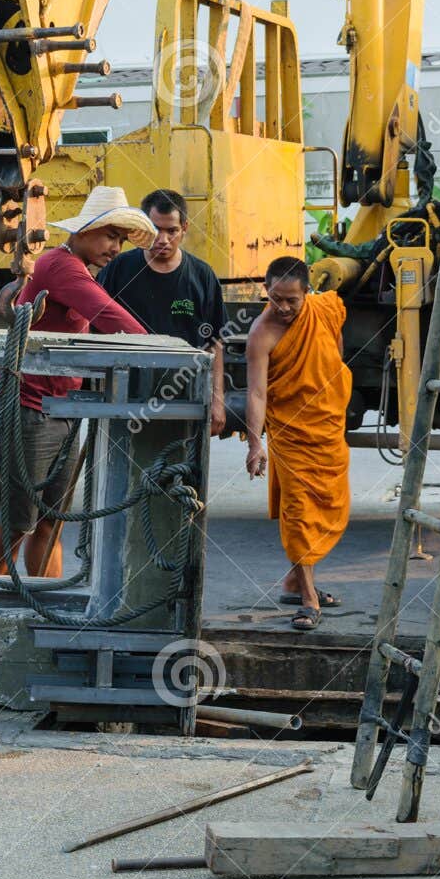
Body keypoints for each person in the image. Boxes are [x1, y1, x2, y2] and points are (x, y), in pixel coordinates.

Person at [0, 185, 154, 580]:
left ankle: (44, 601)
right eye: (111, 236)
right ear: (85, 231)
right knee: (19, 523)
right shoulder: (61, 266)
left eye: (121, 240)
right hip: (28, 407)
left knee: (50, 522)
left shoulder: (75, 268)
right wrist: (157, 349)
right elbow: (109, 316)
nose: (115, 248)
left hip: (59, 407)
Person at [244, 256, 352, 631]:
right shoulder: (262, 333)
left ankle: (294, 581)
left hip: (326, 426)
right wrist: (255, 443)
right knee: (299, 513)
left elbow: (334, 355)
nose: (284, 308)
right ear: (266, 292)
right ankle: (308, 600)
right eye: (276, 299)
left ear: (309, 293)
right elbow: (256, 393)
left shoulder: (325, 308)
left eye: (292, 300)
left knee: (329, 505)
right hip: (291, 433)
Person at [98, 188, 225, 436]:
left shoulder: (202, 276)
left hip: (186, 395)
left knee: (181, 467)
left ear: (185, 228)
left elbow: (215, 343)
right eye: (155, 230)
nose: (163, 239)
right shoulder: (118, 269)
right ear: (143, 227)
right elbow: (93, 327)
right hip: (126, 396)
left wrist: (217, 399)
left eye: (172, 231)